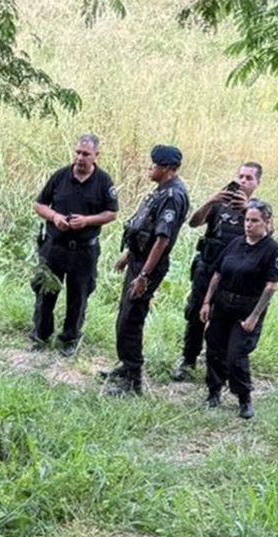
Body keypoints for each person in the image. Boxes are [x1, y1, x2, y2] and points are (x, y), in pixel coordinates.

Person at [100, 145, 190, 396]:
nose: (149, 167)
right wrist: (129, 256)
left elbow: (162, 239)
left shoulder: (172, 196)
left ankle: (132, 380)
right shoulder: (161, 191)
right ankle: (125, 365)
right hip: (139, 260)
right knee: (124, 315)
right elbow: (146, 230)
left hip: (148, 267)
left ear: (167, 168)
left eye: (154, 163)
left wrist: (144, 276)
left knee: (131, 319)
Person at [28, 133, 119, 356]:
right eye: (77, 152)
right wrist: (55, 217)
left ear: (96, 156)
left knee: (78, 295)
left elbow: (111, 213)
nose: (80, 158)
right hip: (54, 247)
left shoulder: (103, 181)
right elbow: (39, 205)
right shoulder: (60, 176)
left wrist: (87, 221)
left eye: (85, 154)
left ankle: (70, 338)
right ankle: (40, 335)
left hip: (84, 250)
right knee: (45, 292)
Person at [172, 162, 264, 381]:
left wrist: (246, 209)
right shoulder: (219, 203)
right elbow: (194, 223)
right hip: (207, 267)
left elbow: (268, 235)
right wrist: (212, 200)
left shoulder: (258, 210)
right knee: (196, 314)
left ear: (257, 183)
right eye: (240, 176)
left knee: (225, 321)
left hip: (236, 275)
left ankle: (217, 364)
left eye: (249, 178)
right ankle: (188, 359)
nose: (243, 181)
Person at [199, 200, 278, 418]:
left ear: (266, 222)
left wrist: (254, 316)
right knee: (214, 348)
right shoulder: (236, 243)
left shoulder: (273, 250)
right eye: (247, 220)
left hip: (247, 308)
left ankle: (244, 398)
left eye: (254, 221)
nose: (249, 225)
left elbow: (270, 286)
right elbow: (218, 274)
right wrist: (207, 302)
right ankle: (214, 391)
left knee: (236, 355)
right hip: (223, 304)